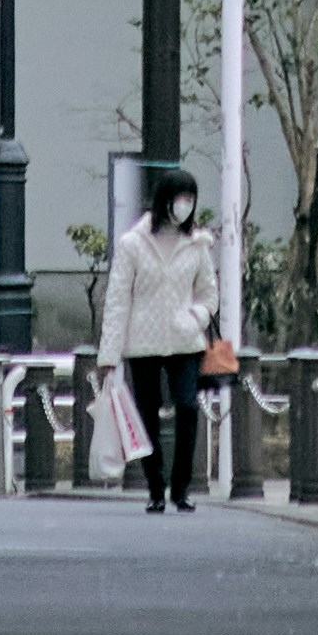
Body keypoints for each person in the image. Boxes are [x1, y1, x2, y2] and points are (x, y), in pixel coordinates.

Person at [94, 164, 221, 514]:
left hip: (185, 340)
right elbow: (118, 298)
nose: (185, 205)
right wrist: (109, 354)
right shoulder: (133, 244)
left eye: (190, 199)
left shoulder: (197, 244)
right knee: (146, 413)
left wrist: (195, 316)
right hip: (143, 341)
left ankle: (181, 487)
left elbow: (209, 294)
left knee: (187, 407)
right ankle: (155, 487)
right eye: (180, 198)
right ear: (164, 200)